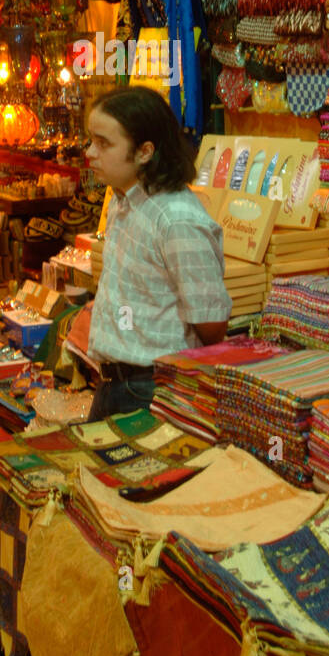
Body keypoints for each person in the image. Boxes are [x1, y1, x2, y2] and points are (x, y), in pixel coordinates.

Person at [84, 85, 232, 420]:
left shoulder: (177, 219)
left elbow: (211, 324)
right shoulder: (124, 202)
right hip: (116, 382)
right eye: (91, 140)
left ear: (144, 151)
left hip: (152, 388)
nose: (90, 152)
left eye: (104, 143)